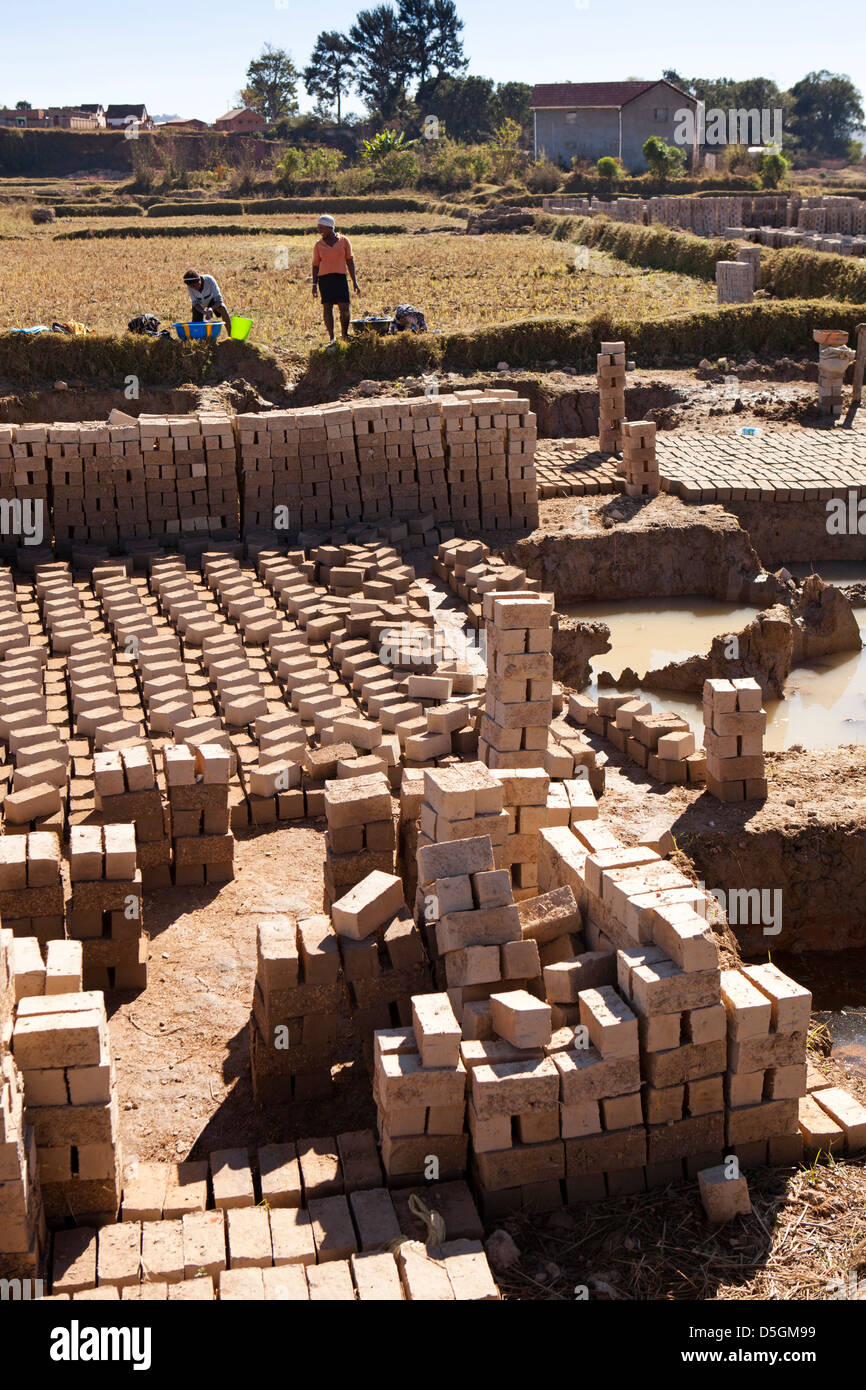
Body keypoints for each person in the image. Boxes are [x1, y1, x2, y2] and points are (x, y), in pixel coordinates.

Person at [312, 215, 360, 344]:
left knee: (344, 307)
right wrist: (314, 285)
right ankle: (332, 337)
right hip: (324, 279)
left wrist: (354, 281)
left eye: (321, 228)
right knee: (327, 307)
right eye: (318, 228)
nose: (319, 231)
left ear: (330, 227)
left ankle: (344, 334)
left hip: (340, 278)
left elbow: (350, 261)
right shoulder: (318, 245)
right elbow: (315, 265)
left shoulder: (344, 241)